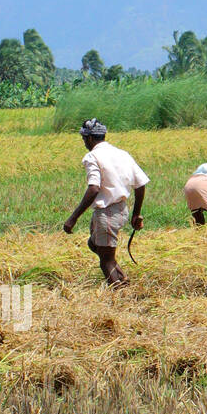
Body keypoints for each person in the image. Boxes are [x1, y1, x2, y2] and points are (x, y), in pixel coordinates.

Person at [62, 118, 148, 288]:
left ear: (90, 139)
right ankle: (123, 281)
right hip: (121, 210)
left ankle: (119, 295)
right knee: (94, 245)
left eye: (84, 139)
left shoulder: (92, 156)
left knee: (106, 261)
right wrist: (135, 213)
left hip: (107, 213)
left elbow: (94, 189)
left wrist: (73, 218)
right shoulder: (122, 154)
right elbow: (140, 184)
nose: (84, 142)